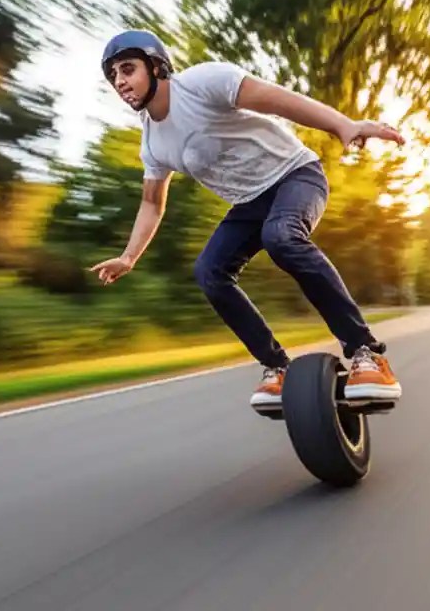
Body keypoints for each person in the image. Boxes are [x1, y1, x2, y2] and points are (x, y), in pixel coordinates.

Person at [89, 30, 404, 415]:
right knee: (209, 271)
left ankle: (365, 351)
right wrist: (129, 256)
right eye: (113, 76)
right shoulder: (153, 143)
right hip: (249, 204)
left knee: (281, 237)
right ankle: (277, 366)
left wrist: (342, 124)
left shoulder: (204, 83)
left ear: (156, 66)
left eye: (127, 69)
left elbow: (279, 102)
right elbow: (152, 204)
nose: (120, 82)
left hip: (296, 176)